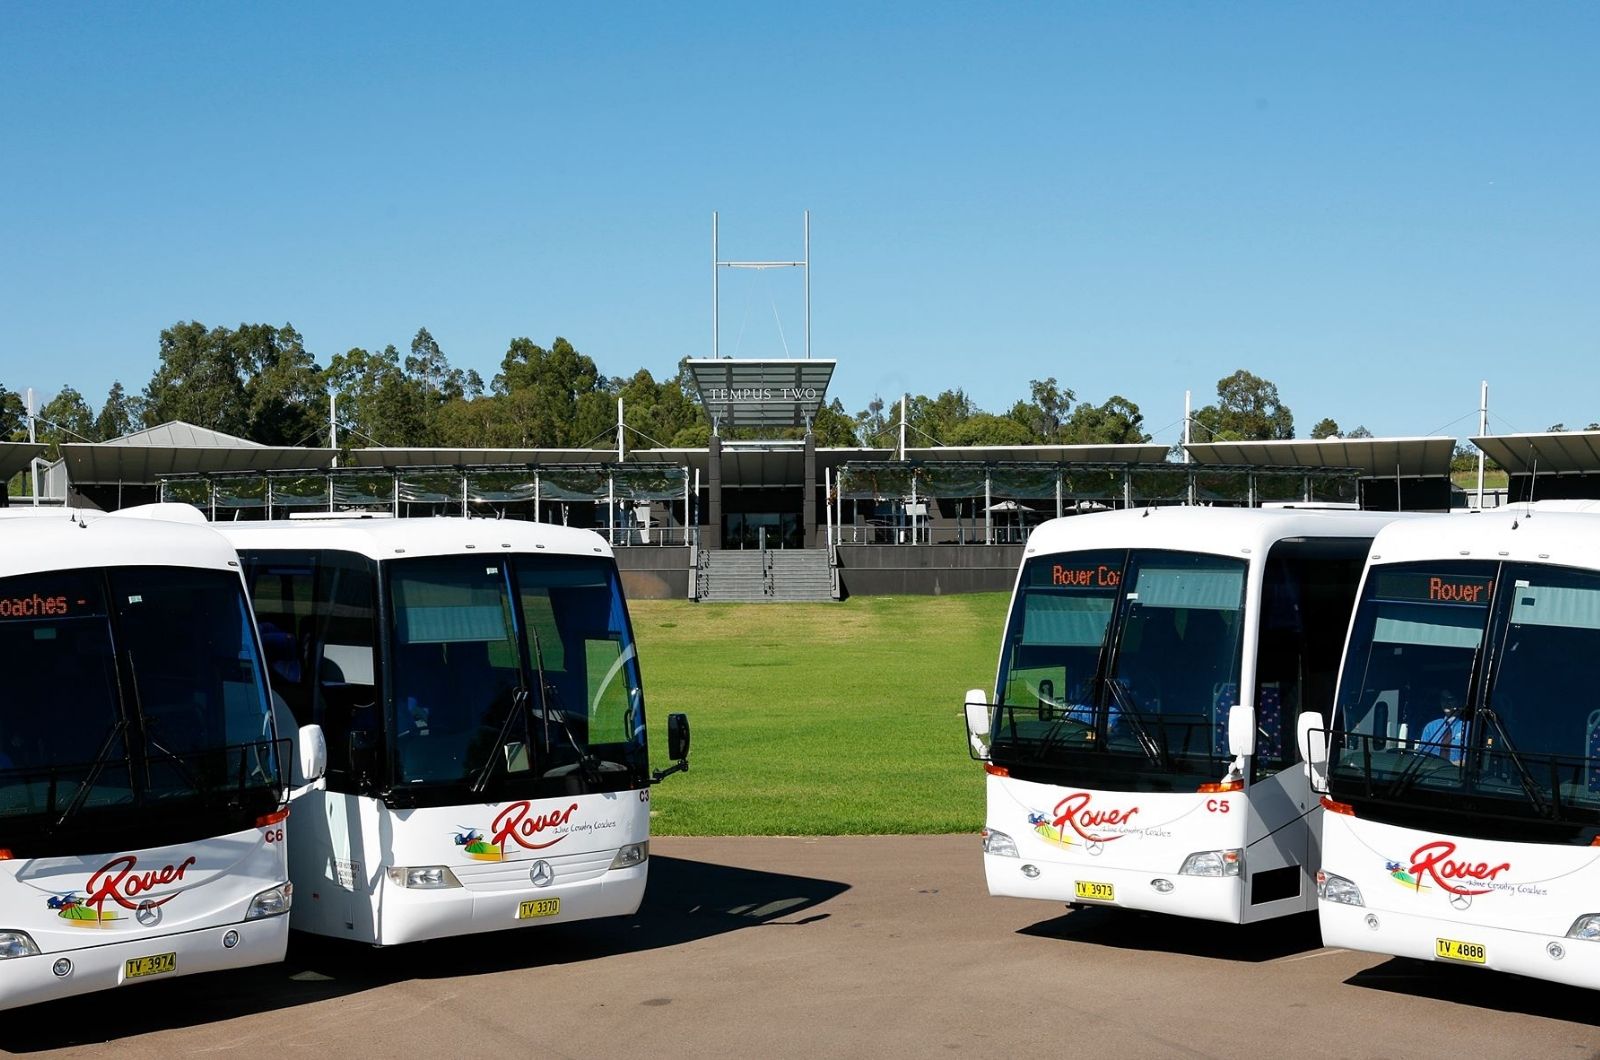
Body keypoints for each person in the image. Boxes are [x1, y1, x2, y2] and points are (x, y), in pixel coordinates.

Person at [1418, 688, 1467, 765]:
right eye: (1443, 699)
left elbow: (1469, 760)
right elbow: (1422, 755)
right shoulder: (1430, 727)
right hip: (1431, 772)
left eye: (1450, 699)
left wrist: (1446, 767)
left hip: (1456, 773)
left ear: (1459, 701)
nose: (1446, 702)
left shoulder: (1468, 727)